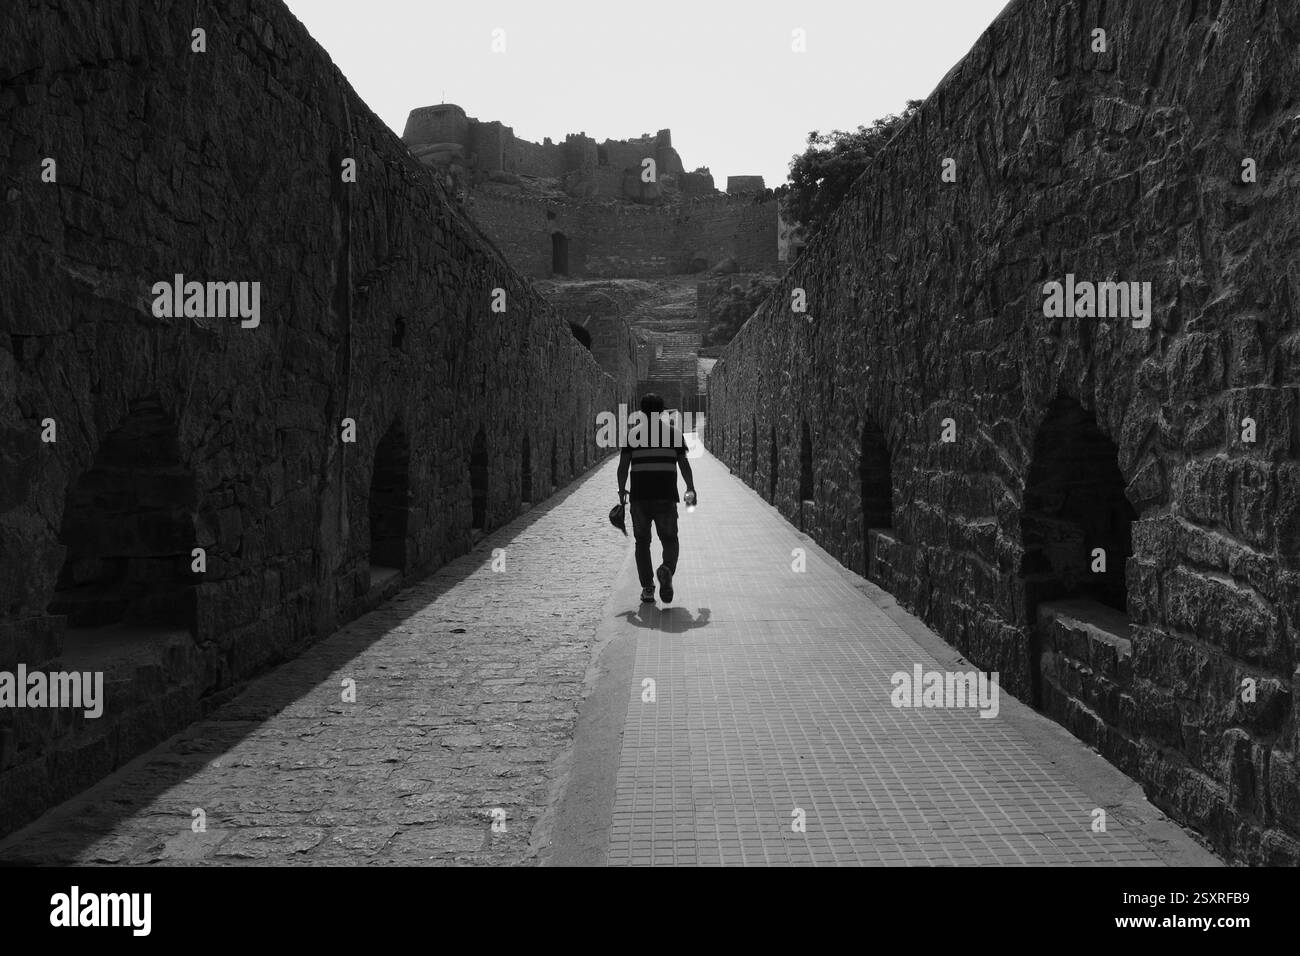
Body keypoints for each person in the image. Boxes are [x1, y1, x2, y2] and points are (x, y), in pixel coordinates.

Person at [617, 393, 697, 604]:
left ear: (642, 411)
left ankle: (648, 589)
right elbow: (684, 465)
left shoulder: (632, 435)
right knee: (670, 539)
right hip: (665, 496)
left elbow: (622, 468)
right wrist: (690, 488)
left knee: (642, 543)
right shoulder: (674, 434)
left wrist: (621, 491)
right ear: (662, 411)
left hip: (639, 498)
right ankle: (666, 569)